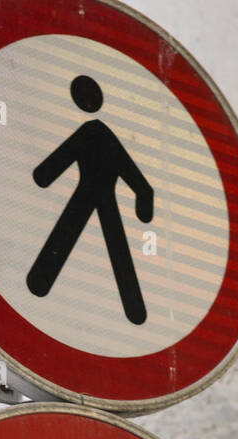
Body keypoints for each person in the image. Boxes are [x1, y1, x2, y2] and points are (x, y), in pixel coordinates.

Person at [26, 75, 154, 325]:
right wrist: (143, 200)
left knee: (66, 237)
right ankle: (135, 310)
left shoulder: (93, 132)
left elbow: (50, 168)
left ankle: (38, 284)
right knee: (116, 248)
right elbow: (137, 180)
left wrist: (44, 175)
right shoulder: (100, 133)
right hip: (102, 196)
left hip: (88, 194)